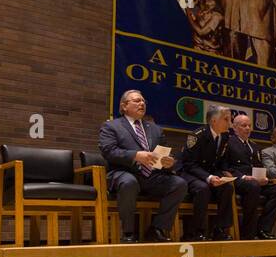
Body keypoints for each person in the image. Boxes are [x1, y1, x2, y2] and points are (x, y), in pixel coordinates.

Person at [98, 89, 188, 242]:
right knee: (129, 182)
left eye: (143, 101)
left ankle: (157, 229)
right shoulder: (112, 126)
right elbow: (108, 151)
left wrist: (169, 162)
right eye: (137, 100)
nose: (142, 103)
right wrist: (135, 155)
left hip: (151, 175)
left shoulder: (155, 129)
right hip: (123, 172)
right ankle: (128, 233)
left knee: (179, 184)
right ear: (124, 106)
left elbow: (164, 152)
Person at [176, 105, 237, 241]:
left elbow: (218, 160)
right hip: (188, 172)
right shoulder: (197, 135)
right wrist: (208, 177)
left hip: (208, 173)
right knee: (202, 188)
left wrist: (224, 172)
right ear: (214, 121)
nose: (230, 123)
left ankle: (220, 229)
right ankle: (195, 232)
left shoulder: (225, 136)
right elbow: (189, 164)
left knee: (227, 187)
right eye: (226, 119)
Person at [225, 112, 276, 239]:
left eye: (249, 125)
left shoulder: (254, 146)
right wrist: (243, 177)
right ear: (235, 127)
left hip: (255, 181)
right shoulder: (228, 142)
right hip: (238, 179)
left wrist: (263, 178)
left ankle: (263, 228)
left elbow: (258, 166)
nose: (248, 128)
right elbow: (226, 166)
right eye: (244, 125)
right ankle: (248, 233)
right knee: (253, 186)